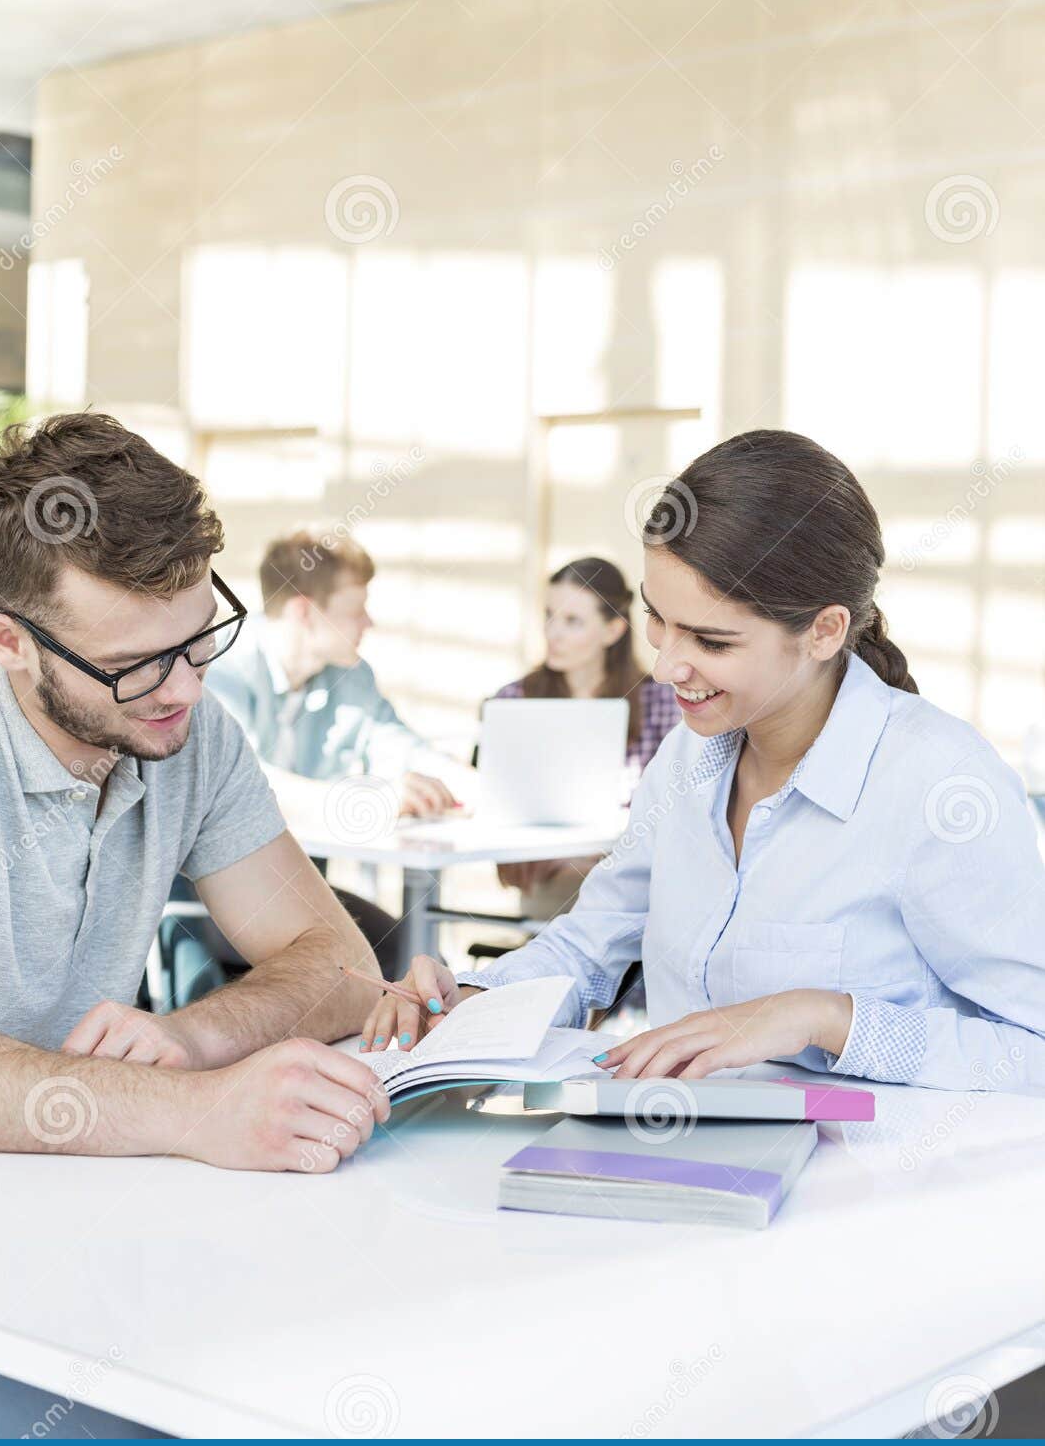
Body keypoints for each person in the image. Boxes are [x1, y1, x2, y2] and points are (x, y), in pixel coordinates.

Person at [363, 428, 1045, 1096]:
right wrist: (476, 996)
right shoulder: (690, 753)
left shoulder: (937, 782)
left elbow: (1032, 1047)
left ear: (824, 630)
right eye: (657, 619)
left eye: (711, 641)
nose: (664, 667)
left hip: (875, 1192)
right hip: (680, 1161)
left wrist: (826, 1018)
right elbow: (590, 941)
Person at [0, 412, 389, 1171]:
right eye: (135, 663)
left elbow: (342, 966)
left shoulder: (190, 728)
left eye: (200, 638)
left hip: (74, 1193)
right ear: (8, 644)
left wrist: (191, 1037)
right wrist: (190, 1107)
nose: (188, 689)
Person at [205, 530, 469, 977]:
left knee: (421, 963)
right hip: (216, 900)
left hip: (300, 891)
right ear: (304, 611)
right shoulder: (221, 668)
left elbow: (404, 749)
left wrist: (488, 787)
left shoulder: (349, 676)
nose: (369, 624)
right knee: (379, 966)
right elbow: (242, 788)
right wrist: (372, 799)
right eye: (355, 610)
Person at [488, 556, 680, 915]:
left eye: (572, 621)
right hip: (547, 884)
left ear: (613, 630)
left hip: (638, 882)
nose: (552, 633)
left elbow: (675, 812)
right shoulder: (513, 701)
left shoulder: (660, 701)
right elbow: (499, 809)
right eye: (549, 616)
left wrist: (592, 857)